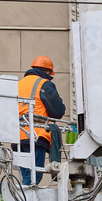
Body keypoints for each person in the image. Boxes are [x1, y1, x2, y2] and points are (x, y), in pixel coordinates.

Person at [18, 55, 66, 185]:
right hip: (35, 135)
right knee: (34, 177)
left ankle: (23, 193)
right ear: (48, 72)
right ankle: (27, 196)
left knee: (26, 176)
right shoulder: (43, 83)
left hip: (17, 137)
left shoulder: (19, 84)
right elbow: (58, 111)